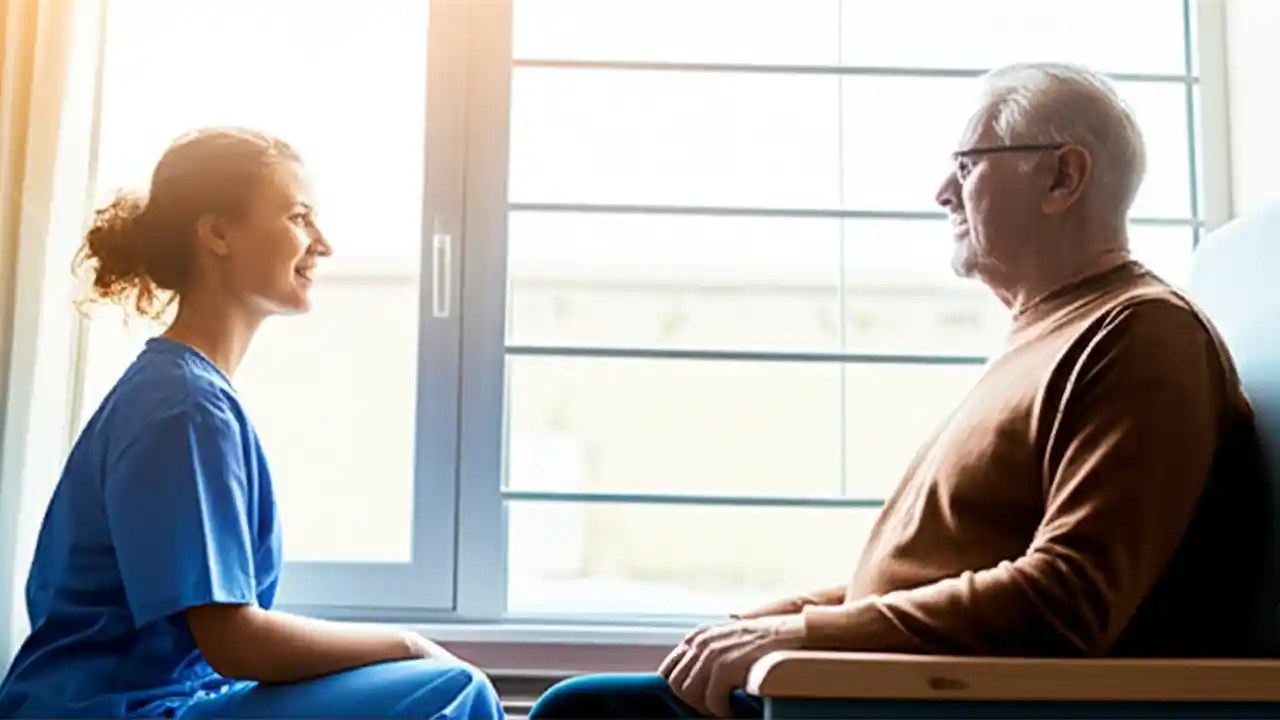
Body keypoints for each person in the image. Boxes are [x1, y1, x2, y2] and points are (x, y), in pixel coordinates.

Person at [529, 62, 1270, 719]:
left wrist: (796, 636)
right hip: (883, 686)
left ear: (1062, 178)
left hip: (955, 705)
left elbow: (1067, 599)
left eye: (968, 164)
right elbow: (934, 578)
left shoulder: (1142, 337)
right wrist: (770, 618)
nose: (941, 191)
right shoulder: (1043, 336)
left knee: (582, 716)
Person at [0, 128, 503, 719]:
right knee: (453, 690)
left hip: (159, 699)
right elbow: (235, 641)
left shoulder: (185, 394)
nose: (323, 244)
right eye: (298, 217)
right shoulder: (183, 408)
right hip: (121, 711)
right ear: (216, 232)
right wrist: (408, 644)